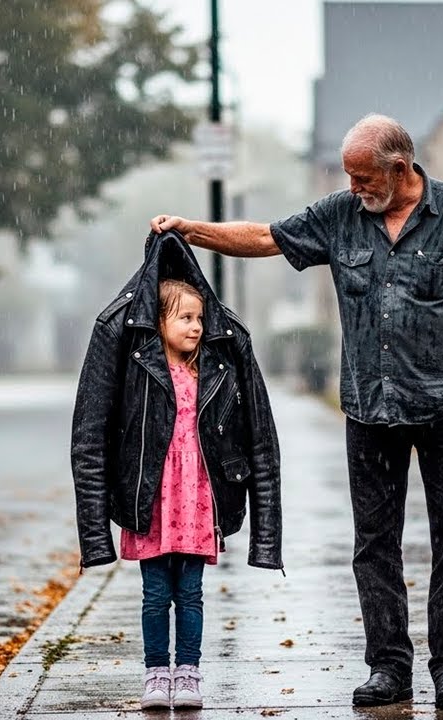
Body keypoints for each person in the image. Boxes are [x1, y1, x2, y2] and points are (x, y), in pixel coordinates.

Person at [149, 113, 443, 711]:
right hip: (369, 409)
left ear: (401, 169)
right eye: (351, 178)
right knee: (374, 542)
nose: (353, 187)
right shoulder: (340, 215)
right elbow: (266, 238)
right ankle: (388, 666)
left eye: (362, 177)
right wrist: (191, 231)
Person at [71, 232, 283, 710]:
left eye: (200, 318)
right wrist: (98, 525)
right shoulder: (134, 363)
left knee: (190, 592)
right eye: (185, 318)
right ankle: (155, 673)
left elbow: (257, 437)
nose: (196, 327)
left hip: (198, 501)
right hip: (152, 500)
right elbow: (95, 434)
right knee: (153, 594)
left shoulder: (216, 366)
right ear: (157, 320)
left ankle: (188, 673)